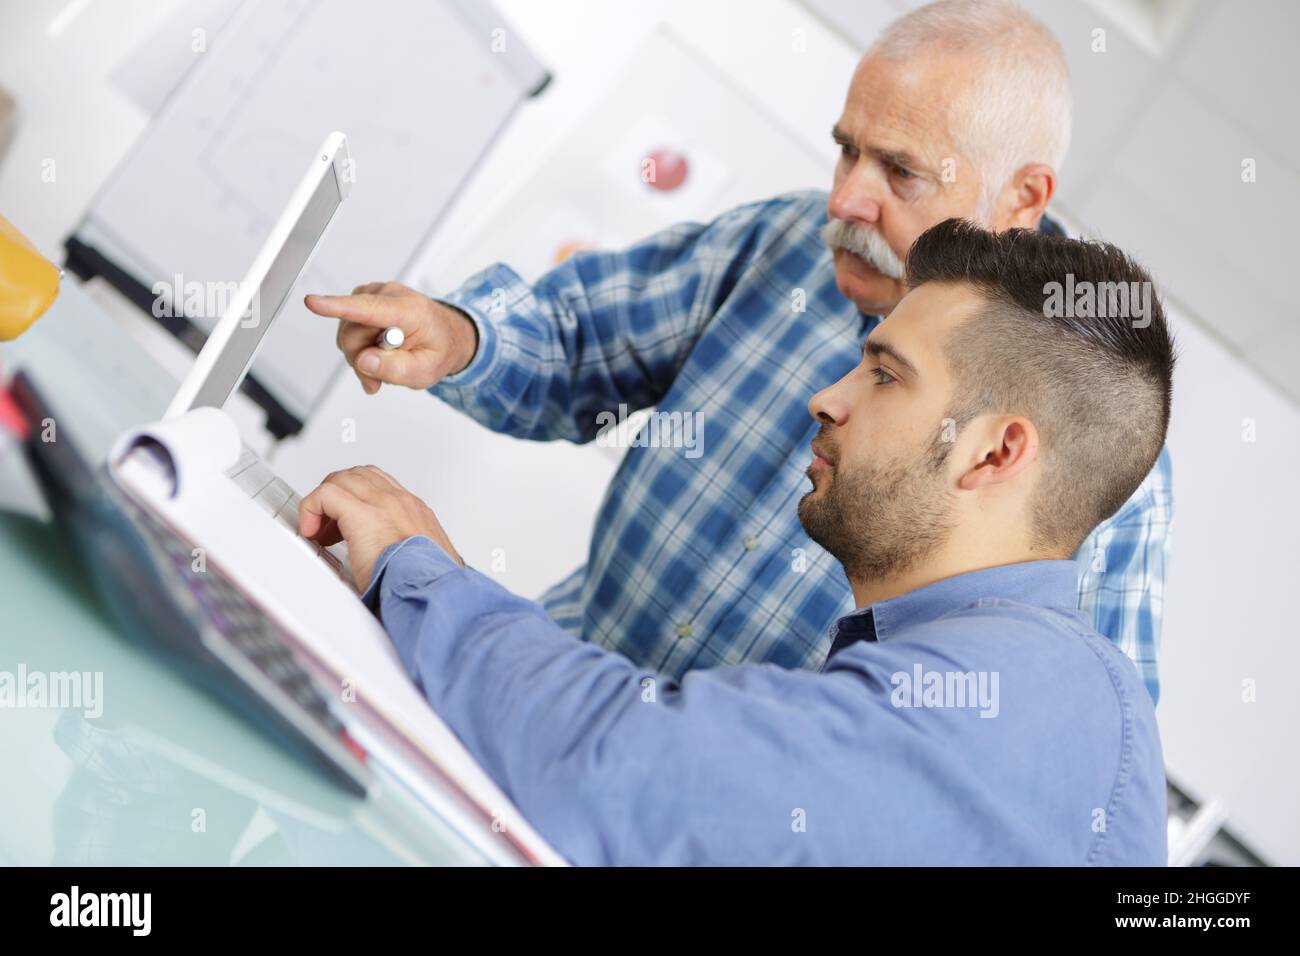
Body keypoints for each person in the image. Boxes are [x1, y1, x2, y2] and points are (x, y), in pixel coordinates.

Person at [304, 0, 1172, 703]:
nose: (846, 200)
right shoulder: (784, 240)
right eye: (845, 150)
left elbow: (1083, 723)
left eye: (899, 172)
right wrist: (460, 337)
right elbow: (578, 343)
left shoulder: (1093, 432)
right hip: (548, 687)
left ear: (1021, 197)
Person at [298, 219, 1175, 865]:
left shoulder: (999, 701)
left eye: (883, 374)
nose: (826, 399)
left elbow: (624, 776)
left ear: (993, 452)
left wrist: (423, 573)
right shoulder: (1037, 672)